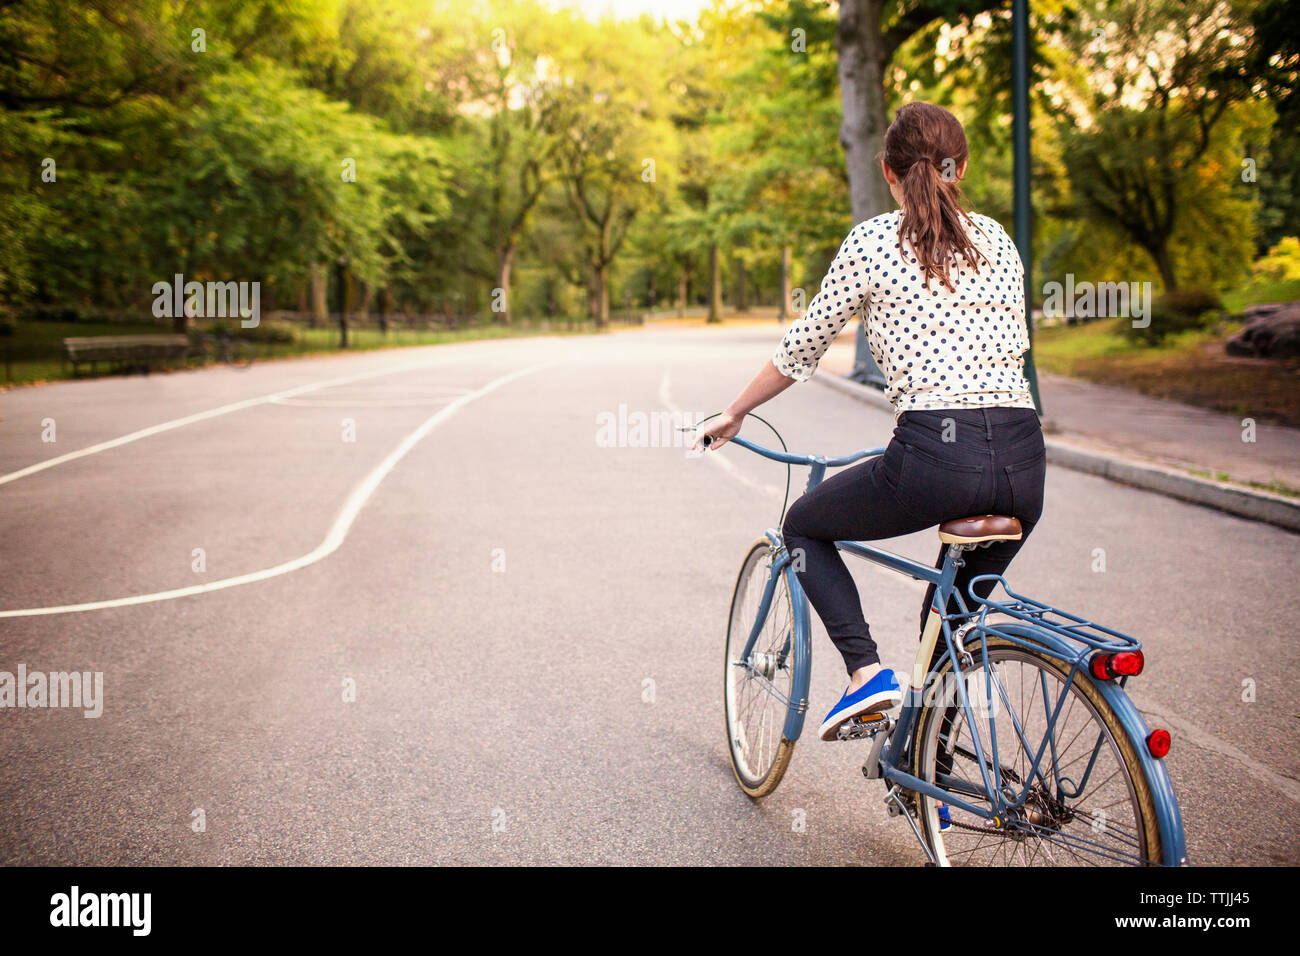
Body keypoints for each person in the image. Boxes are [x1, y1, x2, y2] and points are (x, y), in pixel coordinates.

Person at [692, 101, 1046, 741]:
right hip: (1025, 463)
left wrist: (736, 411)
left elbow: (803, 347)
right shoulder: (997, 237)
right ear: (960, 165)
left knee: (802, 525)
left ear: (887, 169)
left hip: (938, 460)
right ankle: (925, 777)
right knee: (949, 621)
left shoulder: (875, 241)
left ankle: (866, 676)